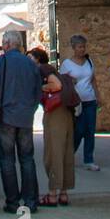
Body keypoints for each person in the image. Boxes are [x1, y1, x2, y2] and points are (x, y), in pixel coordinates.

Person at [0, 29, 43, 214]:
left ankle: (12, 202)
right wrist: (31, 109)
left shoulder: (0, 61)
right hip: (25, 116)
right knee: (27, 158)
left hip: (5, 115)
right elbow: (38, 91)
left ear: (8, 44)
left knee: (7, 159)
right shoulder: (30, 63)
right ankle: (31, 201)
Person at [30, 47, 75, 206]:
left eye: (30, 58)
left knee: (53, 152)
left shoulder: (43, 69)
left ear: (37, 59)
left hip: (55, 113)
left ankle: (52, 194)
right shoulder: (51, 69)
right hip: (65, 112)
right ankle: (63, 193)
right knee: (65, 152)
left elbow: (56, 86)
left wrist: (40, 88)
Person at [60, 34, 100, 171]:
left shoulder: (89, 62)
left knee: (90, 130)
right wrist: (70, 82)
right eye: (79, 47)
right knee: (78, 130)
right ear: (74, 48)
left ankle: (89, 160)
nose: (82, 49)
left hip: (90, 100)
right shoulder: (67, 64)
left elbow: (93, 79)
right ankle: (69, 155)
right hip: (76, 103)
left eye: (84, 46)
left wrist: (98, 95)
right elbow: (62, 83)